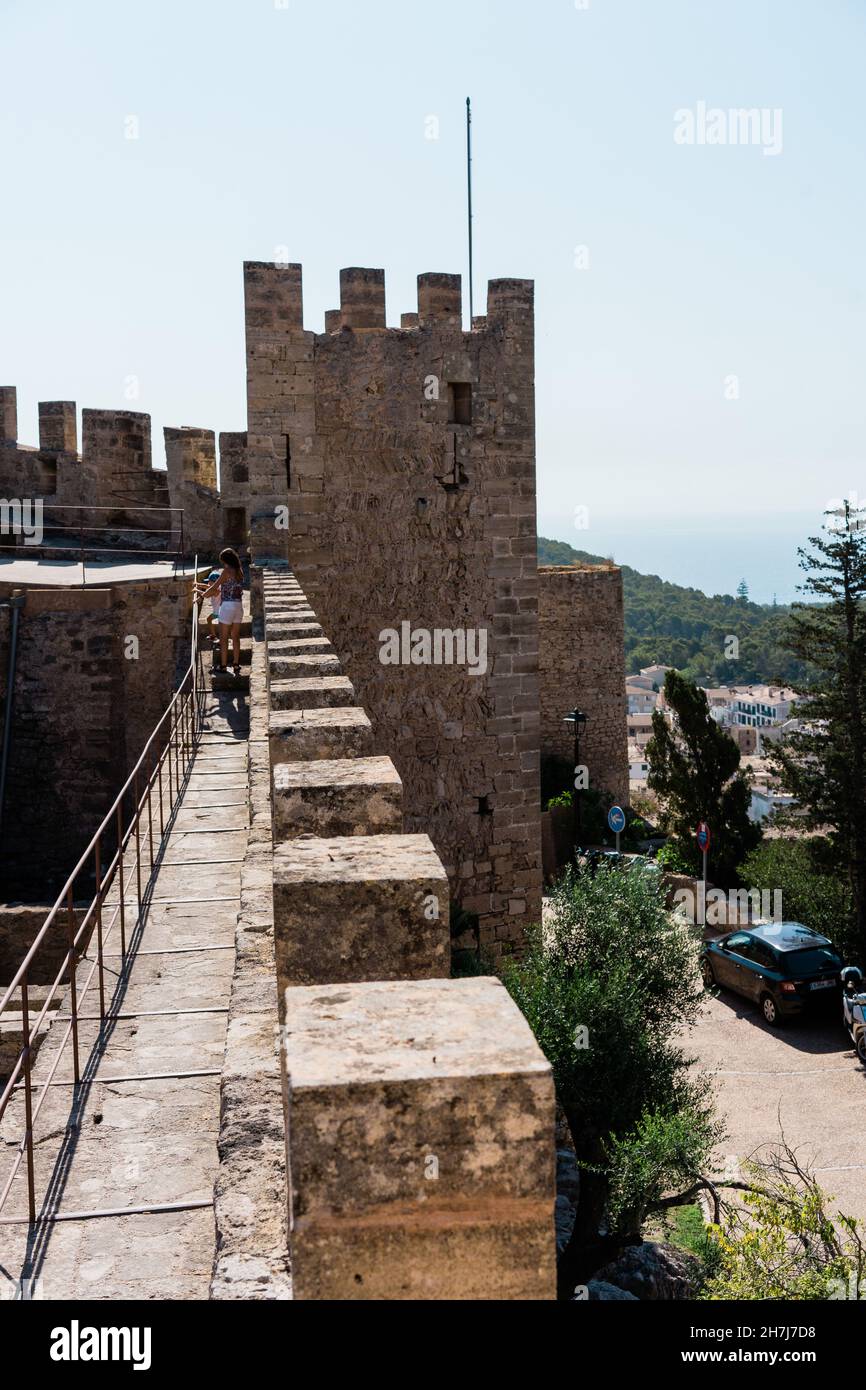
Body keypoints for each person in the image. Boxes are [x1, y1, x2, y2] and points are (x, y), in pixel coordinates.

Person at [199, 548, 245, 677]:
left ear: (225, 560)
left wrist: (203, 594)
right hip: (239, 606)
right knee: (235, 637)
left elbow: (215, 587)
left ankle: (223, 666)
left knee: (224, 638)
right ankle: (236, 664)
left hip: (227, 606)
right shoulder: (239, 571)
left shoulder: (226, 571)